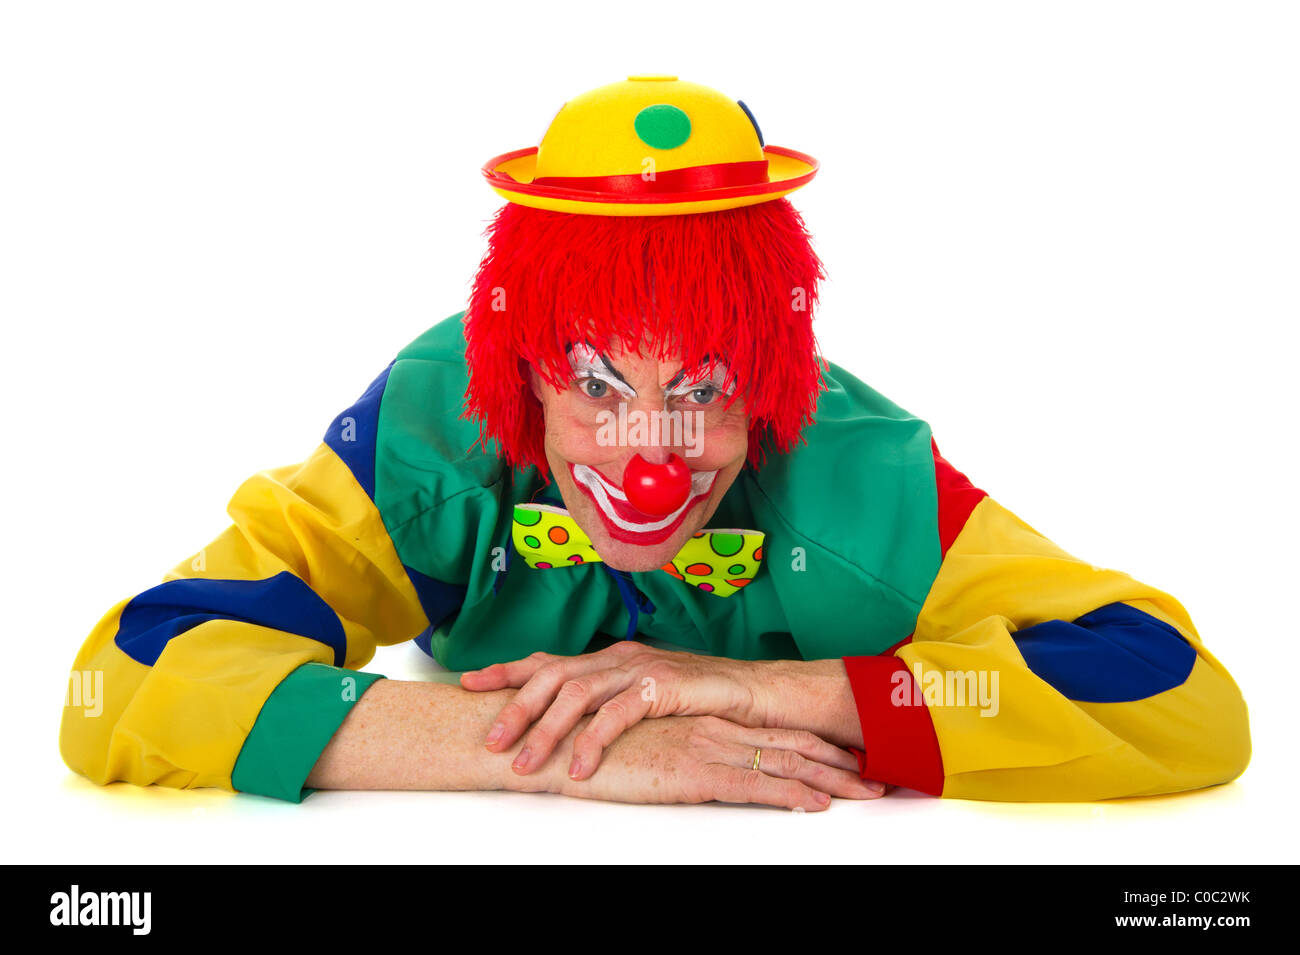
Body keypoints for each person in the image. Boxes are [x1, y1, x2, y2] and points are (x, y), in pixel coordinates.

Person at [59, 76, 1251, 810]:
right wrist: (539, 748)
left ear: (779, 374)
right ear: (516, 361)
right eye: (589, 377)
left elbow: (1176, 692)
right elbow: (121, 673)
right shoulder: (431, 433)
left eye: (706, 384)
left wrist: (773, 692)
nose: (646, 455)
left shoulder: (858, 477)